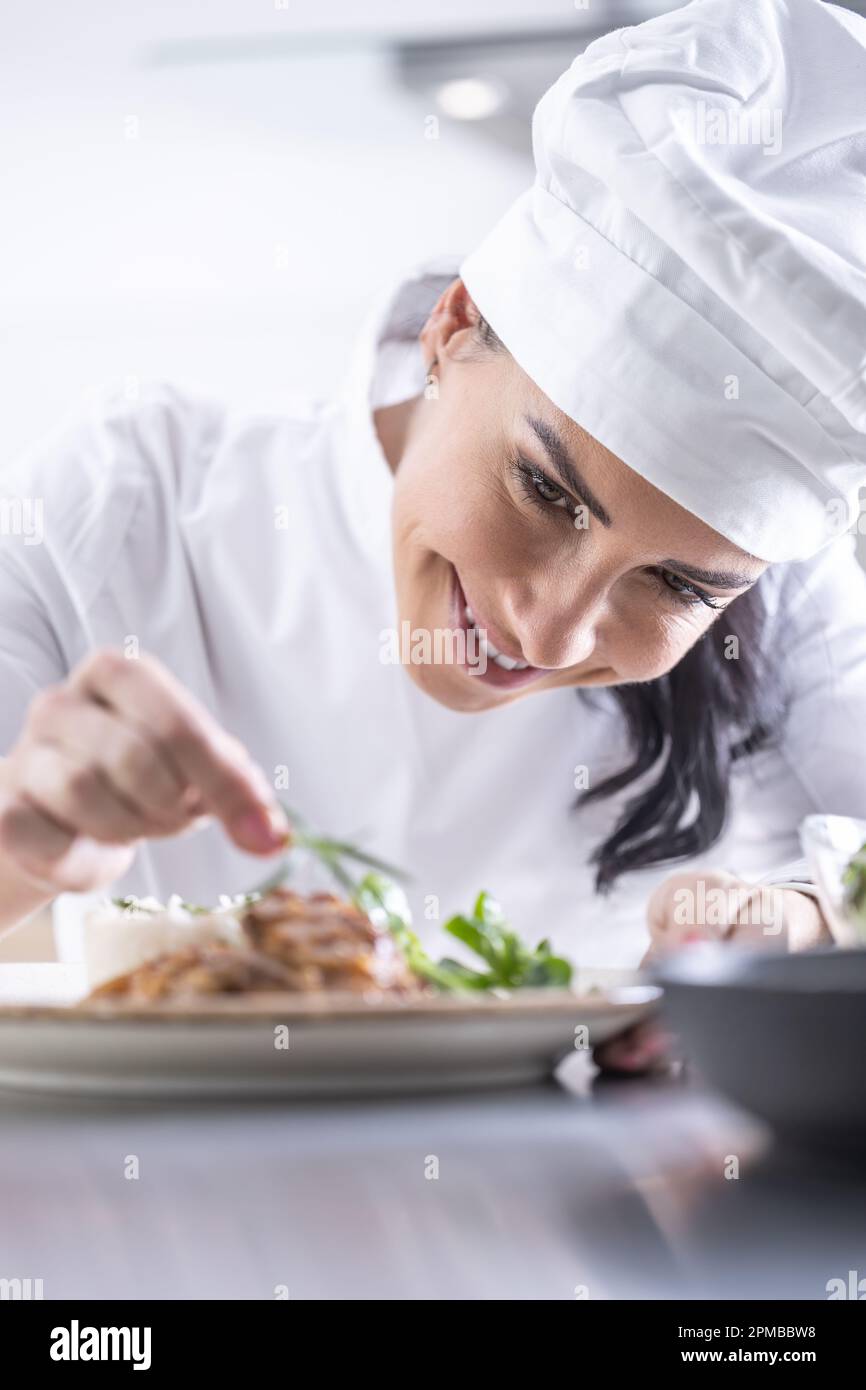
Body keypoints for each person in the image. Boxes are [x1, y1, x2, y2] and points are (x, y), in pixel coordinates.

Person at [0, 0, 864, 1070]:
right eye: (546, 492)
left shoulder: (797, 613)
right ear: (450, 329)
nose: (549, 637)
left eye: (677, 584)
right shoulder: (130, 499)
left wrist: (803, 927)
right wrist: (22, 841)